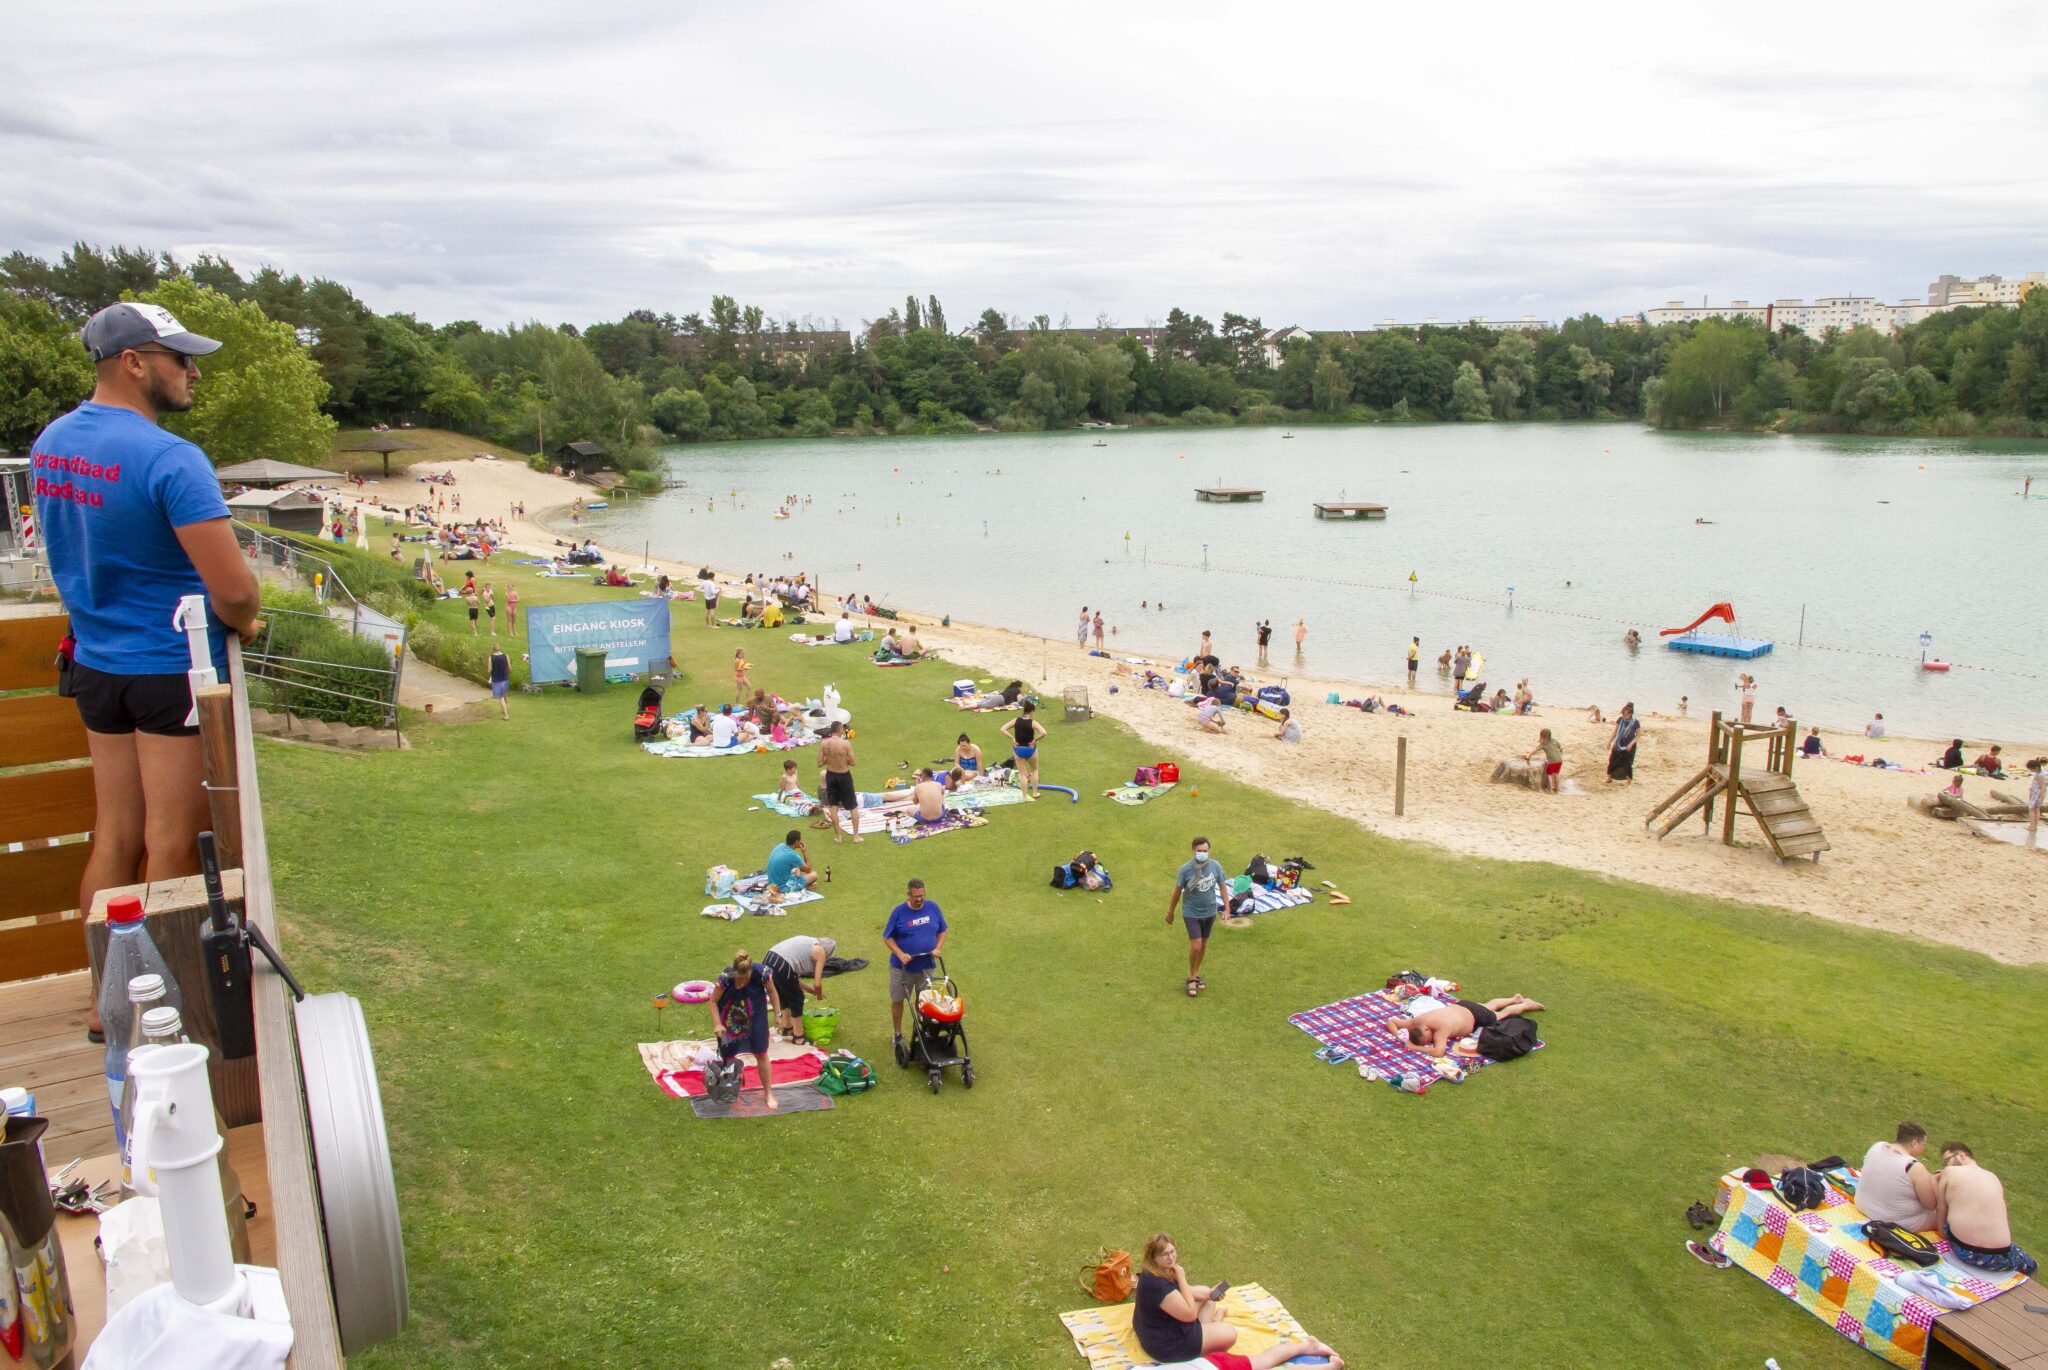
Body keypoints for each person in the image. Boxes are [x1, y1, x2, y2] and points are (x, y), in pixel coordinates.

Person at [33, 303, 262, 1040]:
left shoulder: (53, 444)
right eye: (179, 359)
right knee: (169, 841)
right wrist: (248, 620)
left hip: (96, 663)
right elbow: (233, 590)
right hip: (167, 670)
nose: (193, 372)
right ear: (134, 362)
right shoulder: (170, 458)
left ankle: (107, 1000)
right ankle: (148, 1014)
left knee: (113, 833)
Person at [1132, 1233, 1332, 1368]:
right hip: (1169, 1346)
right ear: (1153, 1257)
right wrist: (1181, 1278)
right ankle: (1212, 1328)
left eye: (1172, 1252)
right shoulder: (1158, 1284)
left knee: (1208, 1298)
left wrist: (1209, 1294)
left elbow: (1193, 1293)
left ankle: (1209, 1327)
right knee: (1230, 1334)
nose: (1170, 1258)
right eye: (1164, 1254)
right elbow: (1189, 1314)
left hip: (1159, 1331)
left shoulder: (1156, 1273)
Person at [1936, 1142, 2037, 1275]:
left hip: (1966, 1252)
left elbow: (1941, 1209)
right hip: (2000, 1257)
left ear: (1961, 1156)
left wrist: (1942, 1234)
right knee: (2032, 1265)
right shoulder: (1992, 1177)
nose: (1946, 1165)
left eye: (1947, 1160)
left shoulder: (1949, 1172)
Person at [883, 878, 947, 1053]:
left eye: (922, 895)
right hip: (901, 967)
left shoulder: (933, 908)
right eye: (916, 896)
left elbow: (943, 930)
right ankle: (897, 1034)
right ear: (909, 895)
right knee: (898, 999)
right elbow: (887, 937)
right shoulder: (899, 913)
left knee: (924, 1000)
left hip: (926, 964)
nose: (919, 899)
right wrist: (900, 953)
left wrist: (937, 948)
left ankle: (919, 1031)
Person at [711, 951, 780, 1110]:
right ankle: (729, 1091)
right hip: (729, 1021)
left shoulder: (761, 973)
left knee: (761, 1054)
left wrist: (778, 1014)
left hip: (755, 1020)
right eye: (739, 978)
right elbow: (713, 1002)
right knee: (728, 1057)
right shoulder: (724, 979)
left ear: (750, 972)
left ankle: (768, 1093)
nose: (741, 982)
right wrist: (717, 1024)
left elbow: (772, 992)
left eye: (745, 978)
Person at [1389, 995, 1544, 1058]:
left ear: (1427, 1031)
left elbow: (1438, 1052)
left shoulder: (1440, 1031)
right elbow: (1392, 1021)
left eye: (1428, 1039)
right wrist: (1397, 1035)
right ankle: (1514, 998)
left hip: (1475, 1016)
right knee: (1490, 1005)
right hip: (1462, 1005)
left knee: (1501, 1015)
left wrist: (1414, 1047)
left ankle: (1526, 1005)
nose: (1431, 1041)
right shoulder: (1417, 1021)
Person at [1167, 836, 1225, 997]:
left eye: (1205, 851)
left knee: (1204, 944)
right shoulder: (1186, 869)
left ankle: (1196, 974)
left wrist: (1227, 908)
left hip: (1210, 911)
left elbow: (1222, 886)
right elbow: (1177, 892)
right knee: (1196, 946)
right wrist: (1170, 912)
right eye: (1199, 851)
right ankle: (1191, 978)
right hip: (1191, 912)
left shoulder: (1215, 866)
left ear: (1209, 851)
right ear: (1193, 851)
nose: (1202, 853)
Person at [1858, 1122, 1938, 1232]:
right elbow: (1930, 1204)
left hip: (1862, 1205)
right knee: (1943, 1214)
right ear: (1914, 1143)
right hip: (1893, 1221)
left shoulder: (1876, 1146)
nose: (1924, 1149)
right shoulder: (1913, 1167)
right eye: (1923, 1145)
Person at [762, 933, 837, 1043]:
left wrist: (811, 991)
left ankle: (787, 1028)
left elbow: (792, 979)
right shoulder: (821, 952)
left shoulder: (808, 943)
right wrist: (819, 994)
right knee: (797, 998)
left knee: (783, 994)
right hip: (782, 964)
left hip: (769, 959)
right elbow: (817, 984)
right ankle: (798, 1037)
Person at [820, 721, 859, 843]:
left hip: (831, 775)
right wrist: (842, 758)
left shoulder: (824, 744)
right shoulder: (845, 744)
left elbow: (819, 763)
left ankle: (838, 837)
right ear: (840, 730)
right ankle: (856, 836)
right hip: (844, 776)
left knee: (833, 806)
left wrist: (830, 757)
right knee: (853, 806)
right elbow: (853, 762)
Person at [1008, 702, 1043, 798]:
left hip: (1018, 750)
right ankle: (1035, 793)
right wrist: (1035, 740)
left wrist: (1012, 738)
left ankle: (1024, 797)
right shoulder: (1033, 722)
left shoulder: (1016, 720)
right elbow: (1043, 732)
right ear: (1032, 711)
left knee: (1023, 774)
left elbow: (1003, 729)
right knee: (1034, 770)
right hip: (1030, 749)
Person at [1605, 703, 1639, 784]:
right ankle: (1609, 778)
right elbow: (1615, 731)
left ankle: (1629, 781)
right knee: (1612, 760)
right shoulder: (1620, 720)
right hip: (1618, 744)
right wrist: (1609, 741)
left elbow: (1638, 735)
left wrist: (1631, 744)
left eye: (1625, 714)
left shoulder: (1635, 722)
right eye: (1622, 714)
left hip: (1629, 746)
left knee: (1627, 763)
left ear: (1630, 714)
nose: (1623, 716)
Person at [1525, 728, 1563, 794]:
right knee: (1556, 774)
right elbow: (1561, 749)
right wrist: (1559, 755)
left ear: (1542, 736)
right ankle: (1557, 788)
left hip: (1552, 761)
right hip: (1560, 760)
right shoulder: (1554, 740)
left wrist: (1529, 756)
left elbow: (1535, 750)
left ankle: (1551, 789)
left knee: (1549, 774)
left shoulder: (1543, 744)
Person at [489, 645, 511, 720]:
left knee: (501, 697)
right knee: (504, 693)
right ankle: (505, 706)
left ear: (493, 650)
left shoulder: (491, 657)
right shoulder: (506, 656)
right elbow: (509, 668)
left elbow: (489, 670)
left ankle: (506, 715)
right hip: (505, 678)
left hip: (496, 680)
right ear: (500, 649)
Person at [2026, 757, 2045, 846]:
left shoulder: (2040, 775)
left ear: (2036, 768)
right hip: (2036, 792)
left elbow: (2043, 786)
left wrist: (2042, 797)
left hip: (2036, 794)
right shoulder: (2041, 772)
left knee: (2032, 809)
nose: (2031, 771)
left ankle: (2032, 826)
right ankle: (2034, 826)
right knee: (2036, 809)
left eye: (2031, 769)